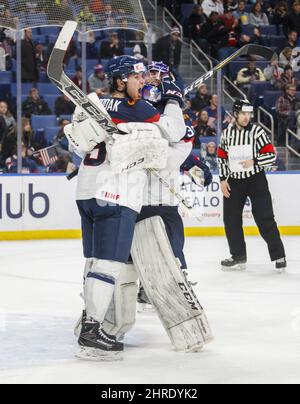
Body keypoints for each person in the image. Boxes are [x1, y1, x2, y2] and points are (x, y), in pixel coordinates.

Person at [65, 56, 186, 359]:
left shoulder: (93, 105)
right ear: (121, 81)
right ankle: (93, 329)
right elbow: (175, 131)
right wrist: (172, 99)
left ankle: (88, 322)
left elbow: (74, 145)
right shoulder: (138, 108)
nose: (143, 81)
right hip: (117, 193)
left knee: (94, 260)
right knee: (109, 264)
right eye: (137, 77)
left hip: (87, 190)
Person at [217, 99, 287, 273]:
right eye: (243, 113)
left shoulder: (257, 131)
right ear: (235, 114)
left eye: (248, 114)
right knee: (231, 219)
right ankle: (238, 255)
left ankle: (279, 255)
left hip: (256, 180)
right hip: (234, 181)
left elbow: (271, 155)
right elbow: (221, 157)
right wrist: (223, 179)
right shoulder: (227, 134)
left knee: (265, 218)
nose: (246, 117)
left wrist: (254, 161)